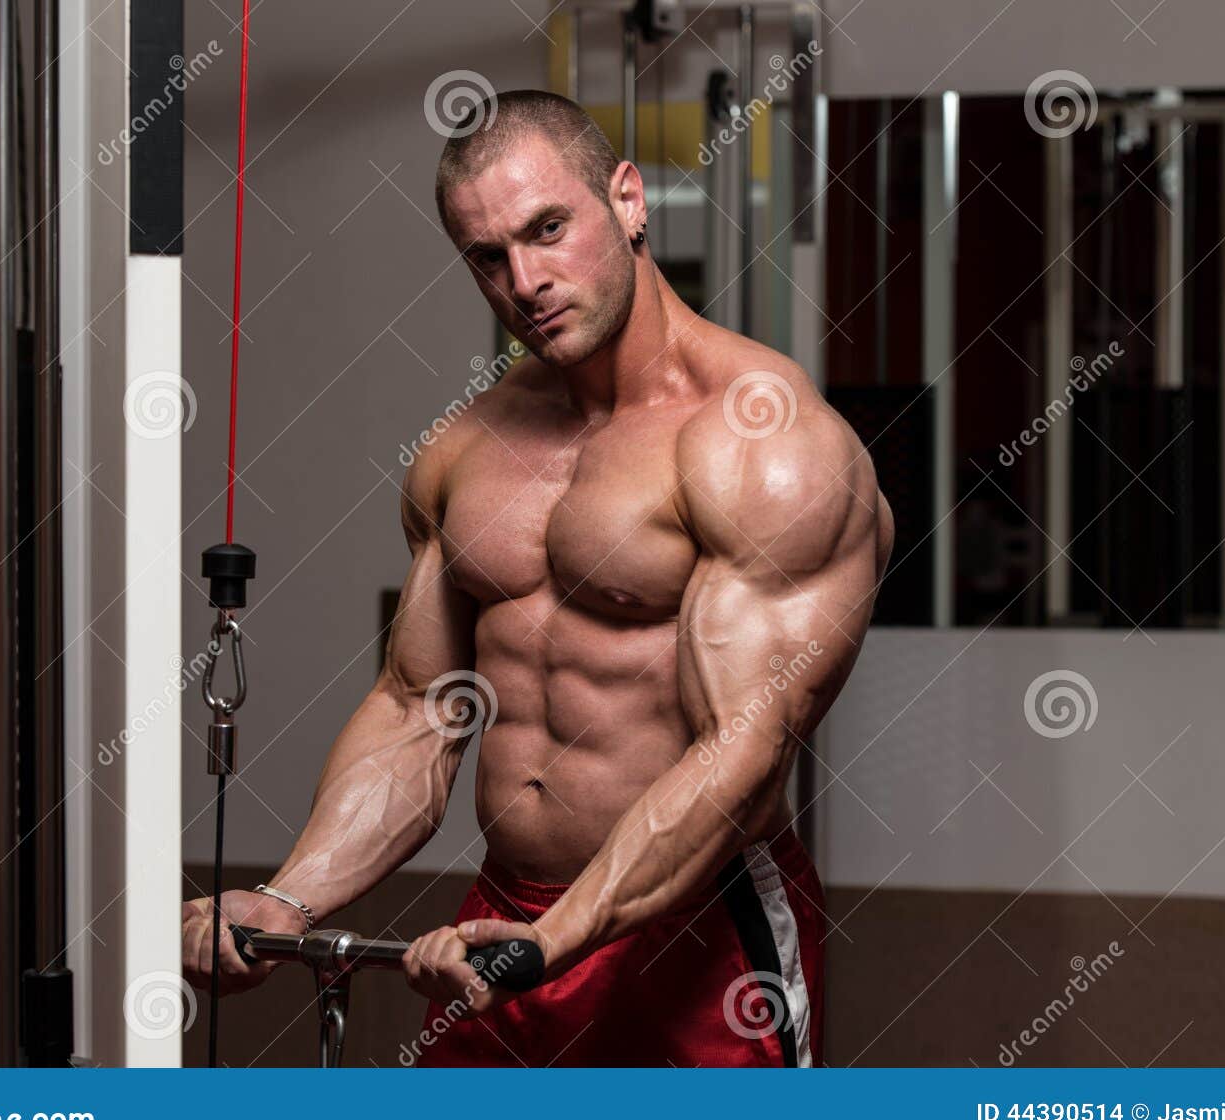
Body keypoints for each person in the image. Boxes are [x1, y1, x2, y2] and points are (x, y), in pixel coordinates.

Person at [182, 89, 894, 1066]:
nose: (525, 280)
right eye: (488, 256)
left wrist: (558, 942)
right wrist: (292, 892)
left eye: (548, 229)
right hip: (504, 925)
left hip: (698, 940)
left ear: (629, 201)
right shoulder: (463, 449)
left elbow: (744, 752)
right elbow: (419, 706)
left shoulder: (763, 447)